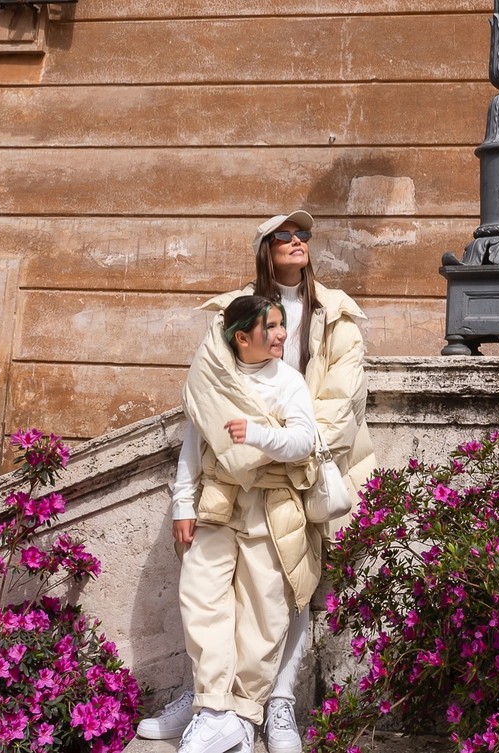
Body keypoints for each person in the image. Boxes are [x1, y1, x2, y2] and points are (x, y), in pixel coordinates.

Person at [138, 211, 374, 751]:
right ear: (264, 249)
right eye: (284, 236)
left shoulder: (335, 314)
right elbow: (207, 403)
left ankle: (278, 702)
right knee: (214, 593)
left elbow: (336, 406)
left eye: (303, 236)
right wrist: (192, 490)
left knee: (286, 590)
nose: (297, 242)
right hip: (232, 476)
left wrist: (282, 453)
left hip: (307, 470)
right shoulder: (231, 312)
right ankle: (208, 702)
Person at [143, 294, 319, 753]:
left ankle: (242, 716)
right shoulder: (213, 379)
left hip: (271, 504)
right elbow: (194, 442)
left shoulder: (290, 381)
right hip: (217, 503)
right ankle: (214, 709)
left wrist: (256, 434)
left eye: (282, 325)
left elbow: (304, 441)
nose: (282, 334)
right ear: (242, 338)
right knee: (202, 598)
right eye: (272, 327)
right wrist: (183, 504)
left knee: (264, 611)